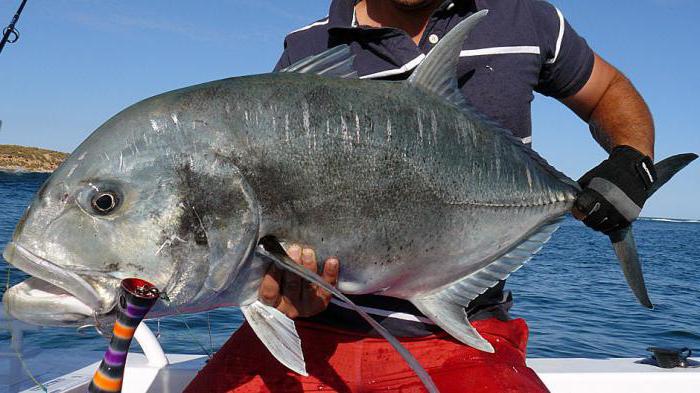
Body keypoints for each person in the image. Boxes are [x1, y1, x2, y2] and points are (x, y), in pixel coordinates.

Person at [185, 0, 656, 391]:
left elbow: (608, 90)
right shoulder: (310, 47)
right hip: (316, 332)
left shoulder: (525, 18)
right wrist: (283, 292)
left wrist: (633, 158)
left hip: (464, 332)